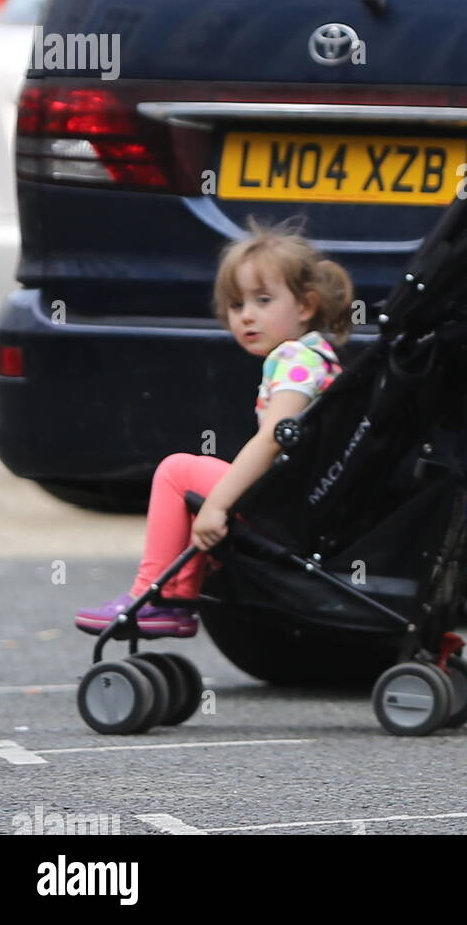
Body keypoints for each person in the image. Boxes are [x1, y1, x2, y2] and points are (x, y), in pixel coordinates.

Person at [74, 219, 353, 638]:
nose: (247, 317)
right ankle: (172, 594)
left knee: (177, 471)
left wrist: (217, 504)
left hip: (288, 502)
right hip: (306, 496)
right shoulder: (318, 356)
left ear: (305, 306)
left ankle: (159, 596)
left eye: (262, 300)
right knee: (196, 475)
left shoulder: (296, 358)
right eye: (237, 305)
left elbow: (274, 437)